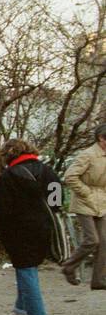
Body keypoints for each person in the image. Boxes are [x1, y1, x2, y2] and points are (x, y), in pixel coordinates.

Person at [0, 139, 61, 315]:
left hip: (18, 231)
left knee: (26, 273)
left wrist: (2, 232)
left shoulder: (8, 176)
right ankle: (18, 314)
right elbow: (56, 198)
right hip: (44, 228)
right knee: (28, 270)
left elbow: (2, 211)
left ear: (8, 155)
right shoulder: (47, 171)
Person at [61, 122, 106, 290]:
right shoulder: (88, 155)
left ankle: (98, 280)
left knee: (104, 242)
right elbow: (70, 176)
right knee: (92, 240)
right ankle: (69, 266)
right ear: (101, 139)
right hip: (84, 201)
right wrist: (86, 193)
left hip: (101, 202)